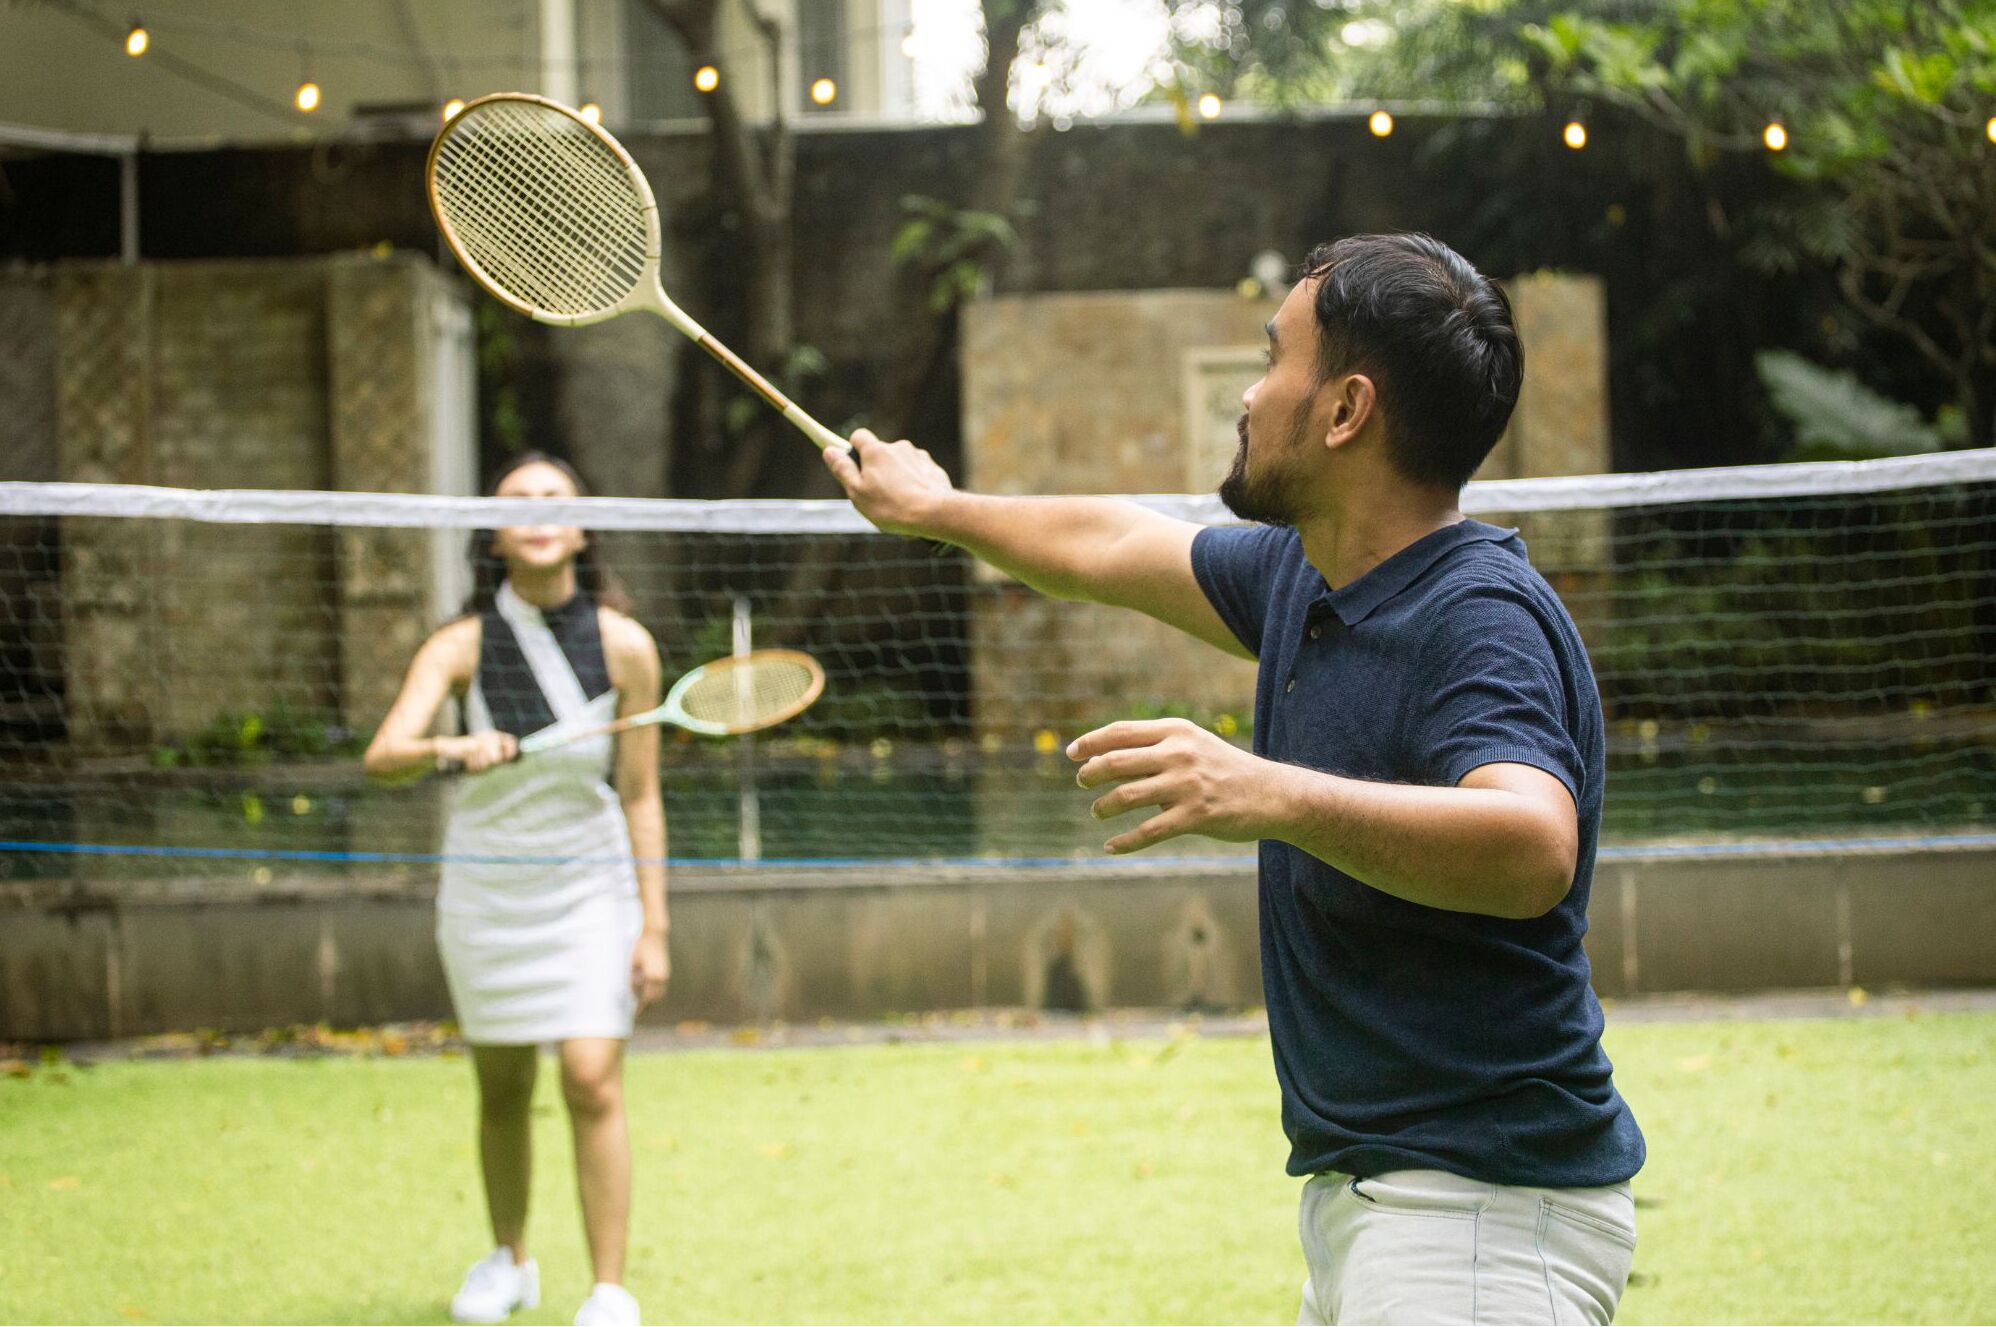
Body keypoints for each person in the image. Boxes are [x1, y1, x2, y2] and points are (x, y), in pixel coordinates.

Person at [823, 233, 1645, 1324]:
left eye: (1272, 359)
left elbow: (1530, 844)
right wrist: (938, 508)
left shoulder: (1474, 619)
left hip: (1479, 1211)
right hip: (1392, 1198)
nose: (1249, 395)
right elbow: (1109, 544)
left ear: (1346, 410)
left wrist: (1267, 792)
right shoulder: (1308, 577)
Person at [364, 453, 667, 1327]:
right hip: (487, 888)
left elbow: (641, 795)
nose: (537, 514)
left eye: (555, 500)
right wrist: (449, 751)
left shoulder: (625, 646)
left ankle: (609, 1288)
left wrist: (655, 927)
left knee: (589, 1075)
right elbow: (384, 755)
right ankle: (511, 1260)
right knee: (500, 1084)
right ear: (492, 531)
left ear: (583, 526)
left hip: (590, 884)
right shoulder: (457, 645)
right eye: (517, 502)